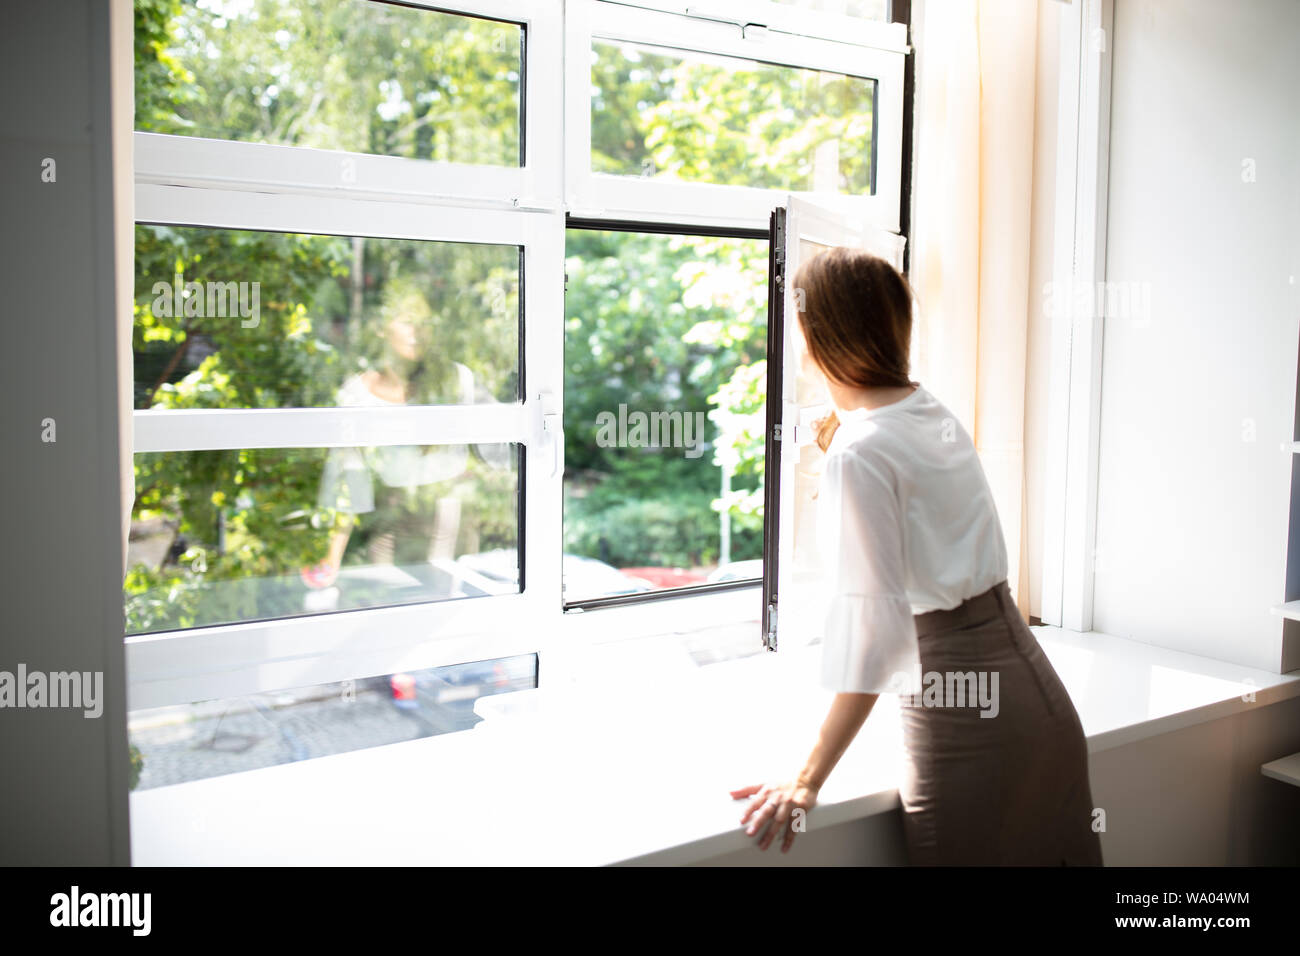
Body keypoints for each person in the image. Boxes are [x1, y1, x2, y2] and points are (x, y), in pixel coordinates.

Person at [730, 247, 1103, 866]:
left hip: (965, 724)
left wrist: (805, 779)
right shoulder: (927, 410)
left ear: (815, 335)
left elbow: (876, 643)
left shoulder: (859, 450)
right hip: (1036, 703)